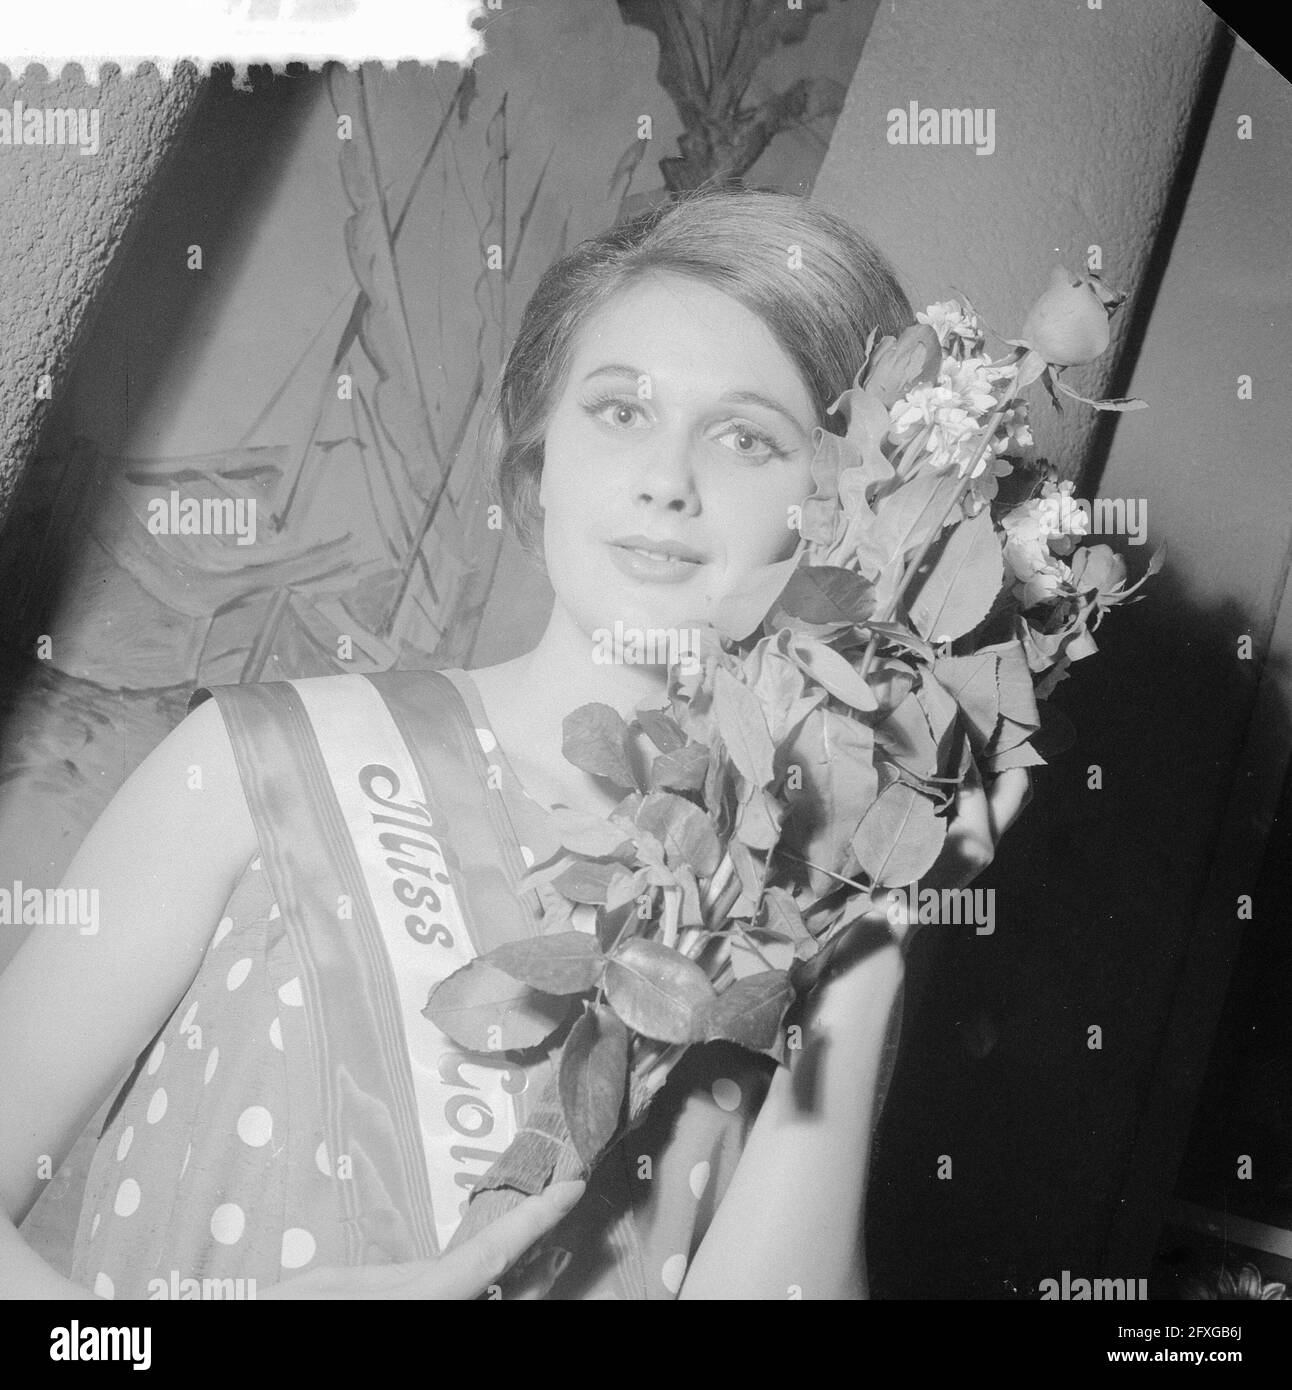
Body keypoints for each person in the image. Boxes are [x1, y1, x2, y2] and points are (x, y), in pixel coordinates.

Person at [0, 187, 1029, 1300]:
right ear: (536, 463)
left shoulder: (779, 937)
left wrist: (874, 932)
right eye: (619, 409)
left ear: (847, 516)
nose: (665, 479)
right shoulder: (255, 765)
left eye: (745, 437)